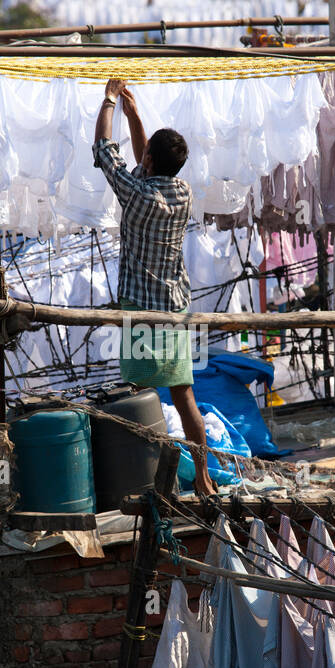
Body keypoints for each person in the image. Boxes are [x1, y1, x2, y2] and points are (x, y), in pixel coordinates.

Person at [93, 77, 216, 496]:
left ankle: (146, 479)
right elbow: (149, 164)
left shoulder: (137, 195)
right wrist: (136, 116)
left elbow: (104, 152)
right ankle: (201, 477)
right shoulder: (183, 192)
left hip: (143, 312)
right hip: (177, 309)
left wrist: (110, 103)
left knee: (140, 398)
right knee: (185, 398)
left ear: (146, 160)